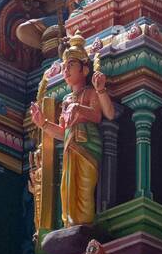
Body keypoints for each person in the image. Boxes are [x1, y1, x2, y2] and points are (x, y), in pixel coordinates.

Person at [30, 35, 114, 227]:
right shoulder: (67, 100)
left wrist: (91, 98)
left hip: (88, 145)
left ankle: (84, 224)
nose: (65, 70)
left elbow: (100, 115)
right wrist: (43, 123)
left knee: (84, 186)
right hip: (70, 146)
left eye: (70, 65)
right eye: (65, 66)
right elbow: (62, 131)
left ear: (84, 69)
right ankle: (71, 224)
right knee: (67, 188)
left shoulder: (91, 92)